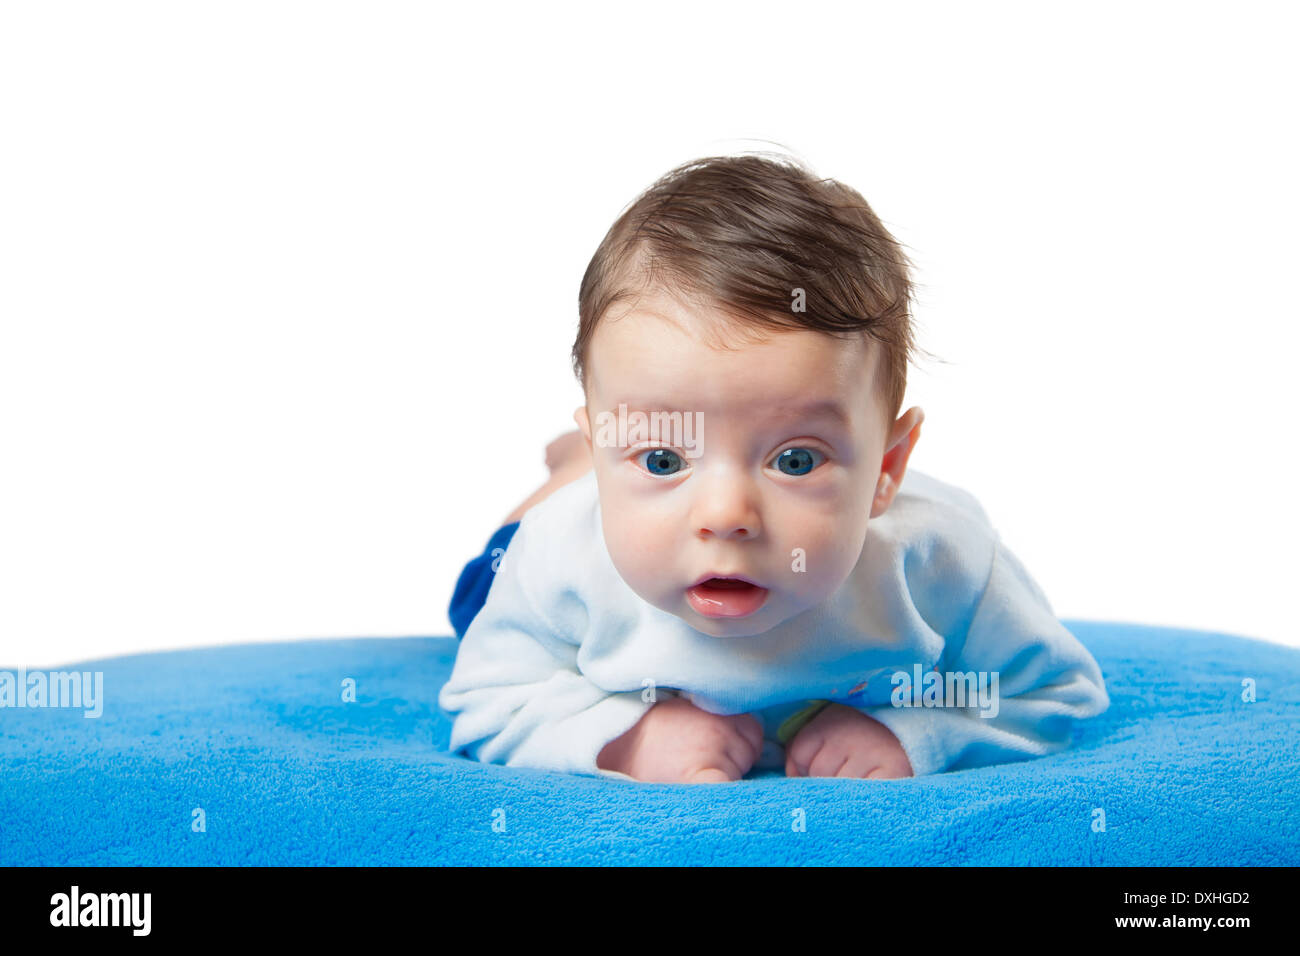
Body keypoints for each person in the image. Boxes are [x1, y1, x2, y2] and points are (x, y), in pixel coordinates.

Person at [440, 154, 1109, 783]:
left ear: (887, 468)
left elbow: (1053, 692)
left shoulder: (938, 565)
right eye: (663, 457)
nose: (726, 515)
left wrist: (915, 735)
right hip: (549, 536)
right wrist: (629, 736)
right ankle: (574, 466)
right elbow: (488, 699)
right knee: (484, 583)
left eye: (795, 460)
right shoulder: (559, 557)